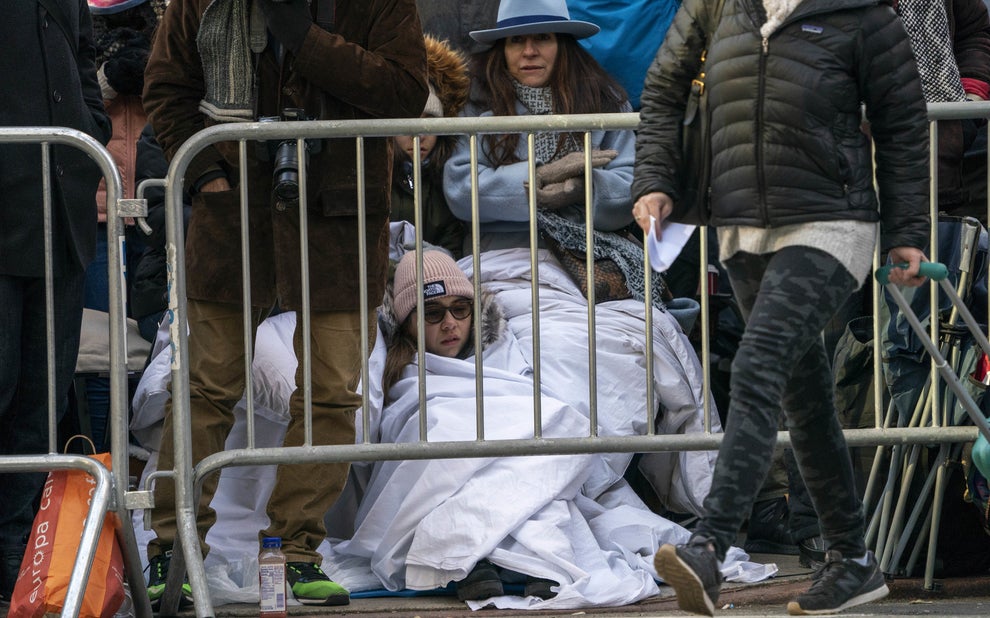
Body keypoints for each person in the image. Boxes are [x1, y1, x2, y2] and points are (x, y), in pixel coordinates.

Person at [632, 0, 931, 615]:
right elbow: (663, 89)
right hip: (741, 227)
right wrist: (655, 180)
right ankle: (852, 560)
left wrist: (907, 230)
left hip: (832, 223)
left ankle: (709, 546)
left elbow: (902, 122)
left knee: (759, 364)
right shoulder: (715, 4)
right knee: (804, 395)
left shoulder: (864, 13)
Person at [141, 0, 428, 608]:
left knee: (332, 393)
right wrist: (206, 175)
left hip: (342, 221)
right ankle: (173, 546)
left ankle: (296, 551)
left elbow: (404, 93)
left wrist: (302, 35)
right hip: (231, 217)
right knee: (204, 388)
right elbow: (167, 88)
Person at [0, 0, 112, 600]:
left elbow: (82, 56)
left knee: (43, 402)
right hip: (11, 212)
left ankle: (15, 552)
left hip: (61, 219)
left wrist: (89, 129)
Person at [442, 0, 637, 253]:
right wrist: (540, 176)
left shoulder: (605, 102)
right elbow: (460, 190)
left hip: (593, 253)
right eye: (516, 40)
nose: (529, 51)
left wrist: (584, 189)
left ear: (563, 45)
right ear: (503, 49)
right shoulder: (477, 104)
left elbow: (631, 186)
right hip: (503, 255)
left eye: (543, 38)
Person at [390, 35, 470, 259]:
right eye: (407, 122)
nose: (419, 135)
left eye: (430, 121)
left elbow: (455, 246)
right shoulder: (372, 177)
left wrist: (439, 258)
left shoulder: (449, 181)